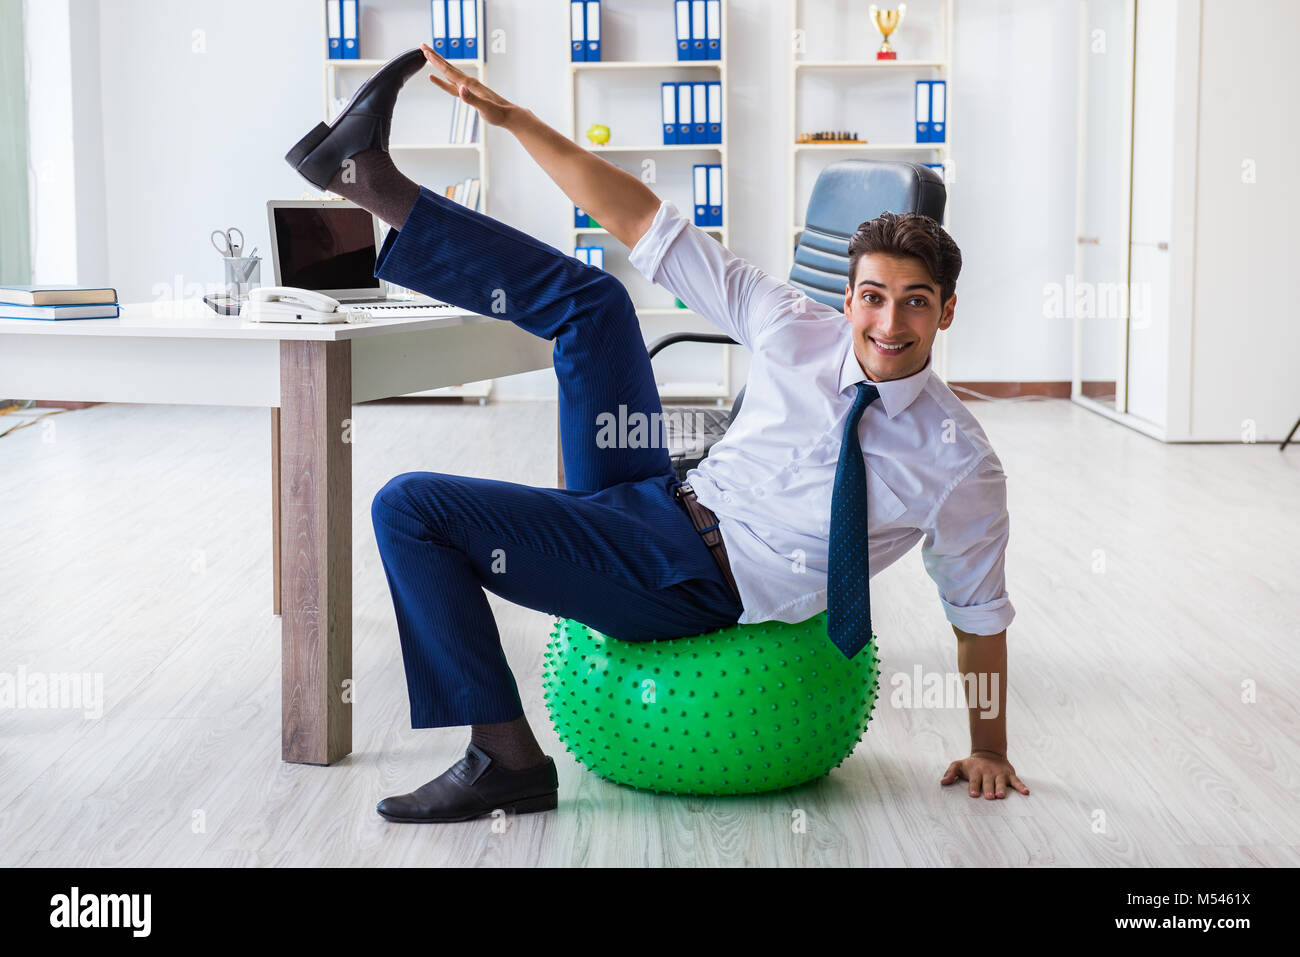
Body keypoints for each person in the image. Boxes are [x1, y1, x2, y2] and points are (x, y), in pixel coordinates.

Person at [284, 45, 1029, 824]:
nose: (889, 322)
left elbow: (978, 612)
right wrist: (519, 122)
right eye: (873, 296)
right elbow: (643, 221)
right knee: (598, 301)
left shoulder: (960, 461)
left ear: (945, 311)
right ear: (847, 298)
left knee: (410, 508)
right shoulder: (795, 327)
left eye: (915, 302)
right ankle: (367, 181)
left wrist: (992, 746)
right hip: (664, 493)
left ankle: (503, 758)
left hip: (692, 579)